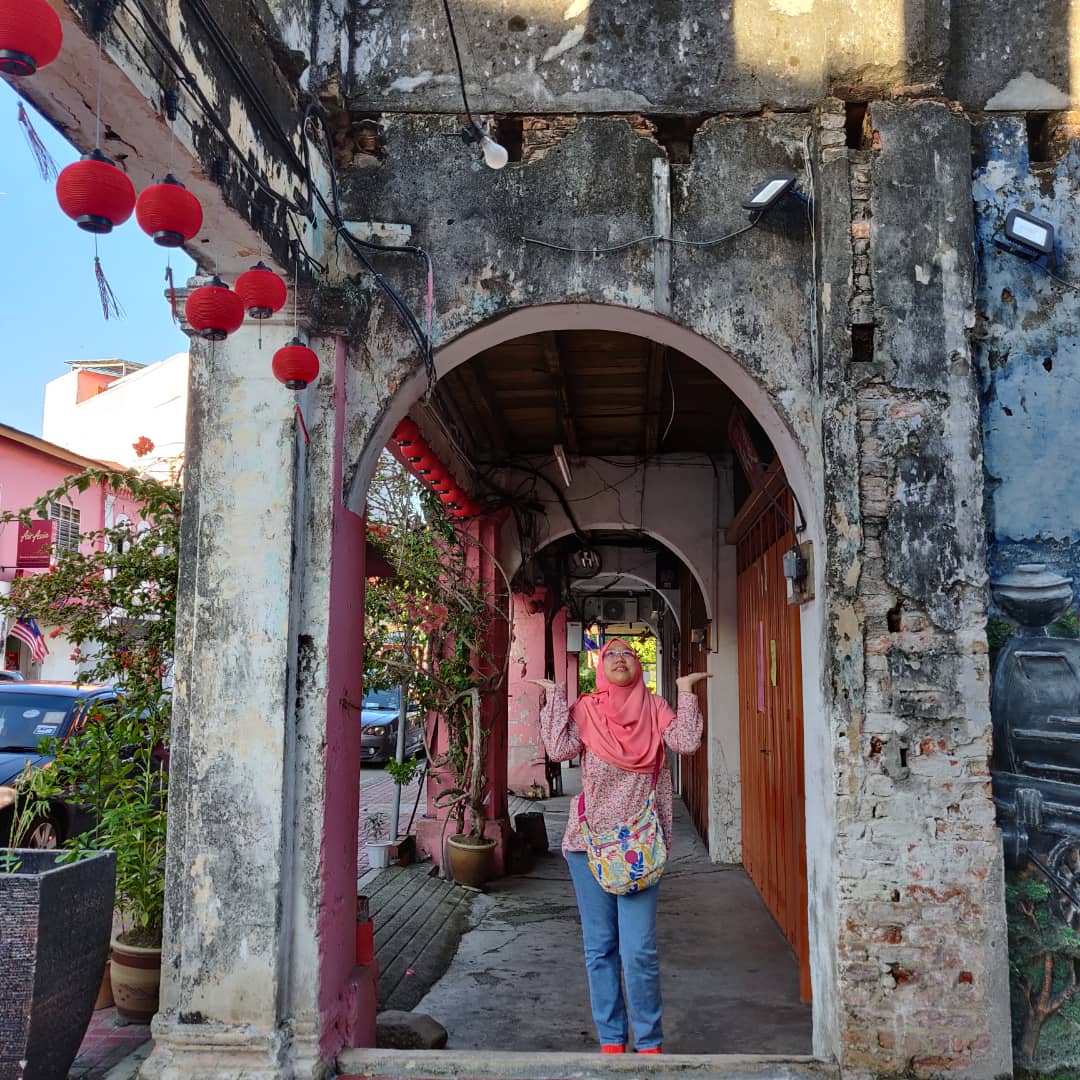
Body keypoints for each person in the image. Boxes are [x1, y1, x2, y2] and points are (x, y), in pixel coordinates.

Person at [532, 638, 709, 1055]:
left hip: (640, 846)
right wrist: (555, 697)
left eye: (627, 653)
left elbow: (686, 742)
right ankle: (612, 1039)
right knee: (600, 948)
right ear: (600, 666)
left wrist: (685, 691)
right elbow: (558, 748)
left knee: (639, 949)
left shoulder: (655, 708)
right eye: (610, 653)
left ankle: (649, 1041)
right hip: (588, 844)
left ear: (638, 664)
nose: (618, 659)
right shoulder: (588, 709)